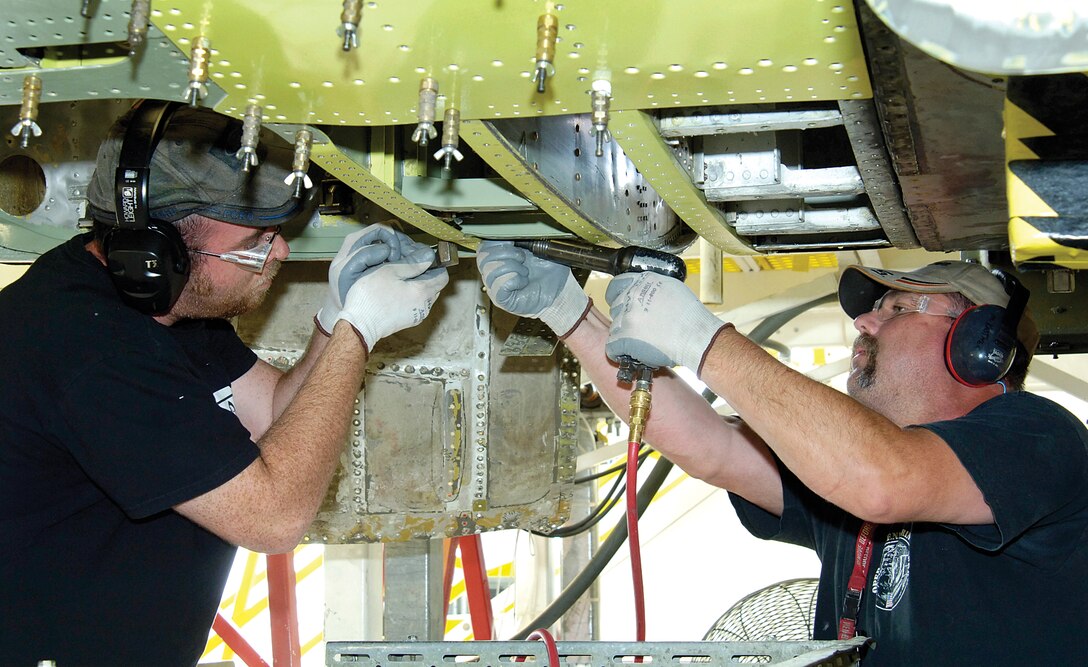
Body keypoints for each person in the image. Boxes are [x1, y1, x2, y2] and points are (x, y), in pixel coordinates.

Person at [475, 241, 1088, 665]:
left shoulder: (1038, 437)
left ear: (979, 345)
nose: (864, 324)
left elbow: (883, 481)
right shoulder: (848, 467)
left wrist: (699, 336)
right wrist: (569, 313)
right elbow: (713, 448)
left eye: (897, 308)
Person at [0, 102, 449, 666]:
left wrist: (334, 319)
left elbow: (270, 415)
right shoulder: (88, 349)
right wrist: (359, 334)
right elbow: (275, 518)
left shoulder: (161, 301)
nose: (279, 252)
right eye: (256, 241)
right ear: (158, 253)